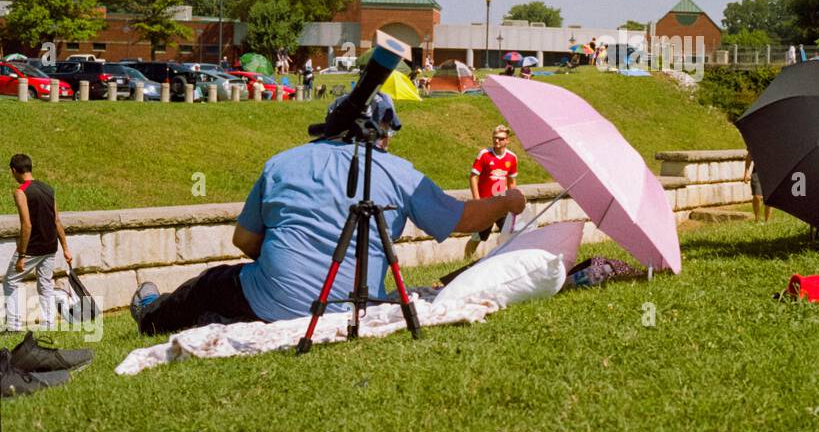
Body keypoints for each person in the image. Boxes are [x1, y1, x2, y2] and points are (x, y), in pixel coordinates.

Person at [129, 93, 524, 335]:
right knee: (217, 288)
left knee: (210, 283)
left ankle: (150, 316)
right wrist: (507, 201)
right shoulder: (399, 172)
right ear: (380, 134)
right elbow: (461, 219)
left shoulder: (281, 164)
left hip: (269, 300)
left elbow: (244, 241)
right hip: (354, 305)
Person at [5, 154, 73, 332]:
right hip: (50, 246)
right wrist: (66, 248)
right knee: (45, 284)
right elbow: (57, 221)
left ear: (14, 170)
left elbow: (26, 225)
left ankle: (13, 326)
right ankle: (49, 325)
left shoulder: (21, 192)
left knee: (11, 281)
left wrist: (22, 255)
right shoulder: (48, 189)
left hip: (33, 248)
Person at [463, 126, 519, 260]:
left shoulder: (512, 158)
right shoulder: (484, 154)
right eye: (495, 138)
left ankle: (505, 260)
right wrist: (477, 200)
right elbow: (473, 177)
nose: (497, 141)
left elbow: (511, 181)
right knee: (479, 236)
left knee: (508, 235)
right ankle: (466, 259)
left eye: (500, 139)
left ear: (507, 140)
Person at [742, 153, 771, 223]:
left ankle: (767, 221)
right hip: (757, 172)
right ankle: (757, 219)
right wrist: (746, 172)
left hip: (770, 172)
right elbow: (749, 156)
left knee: (769, 198)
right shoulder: (756, 142)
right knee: (756, 196)